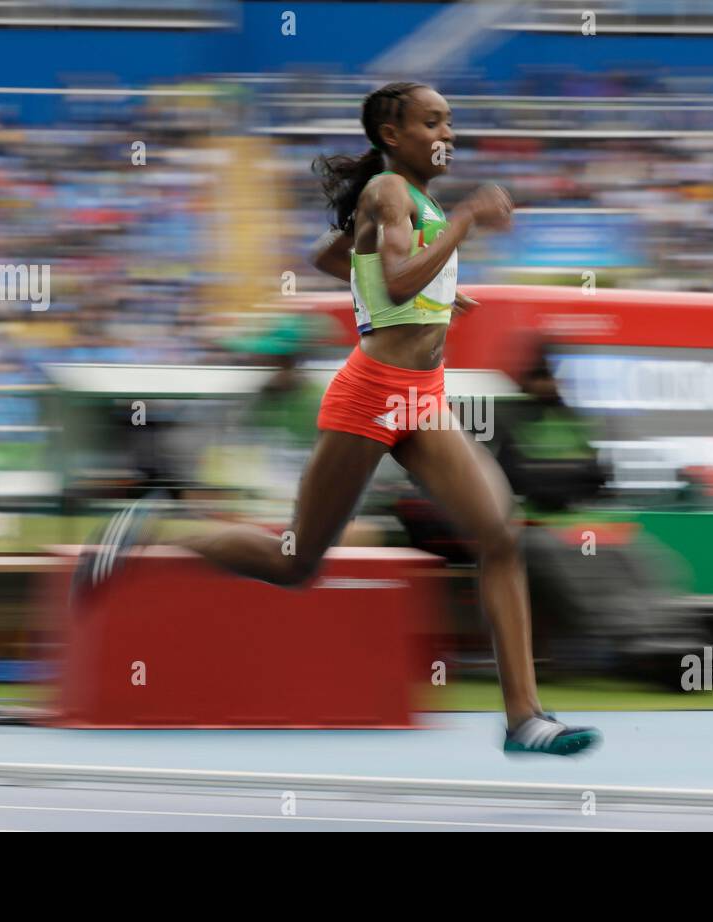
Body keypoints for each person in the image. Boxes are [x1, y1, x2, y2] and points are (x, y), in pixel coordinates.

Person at [74, 82, 600, 757]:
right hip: (373, 393)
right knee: (295, 561)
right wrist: (466, 221)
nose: (448, 134)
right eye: (433, 122)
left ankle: (523, 718)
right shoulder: (388, 191)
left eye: (450, 122)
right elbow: (400, 279)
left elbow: (332, 257)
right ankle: (155, 531)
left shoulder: (412, 199)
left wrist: (440, 288)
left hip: (423, 396)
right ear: (392, 134)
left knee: (499, 533)